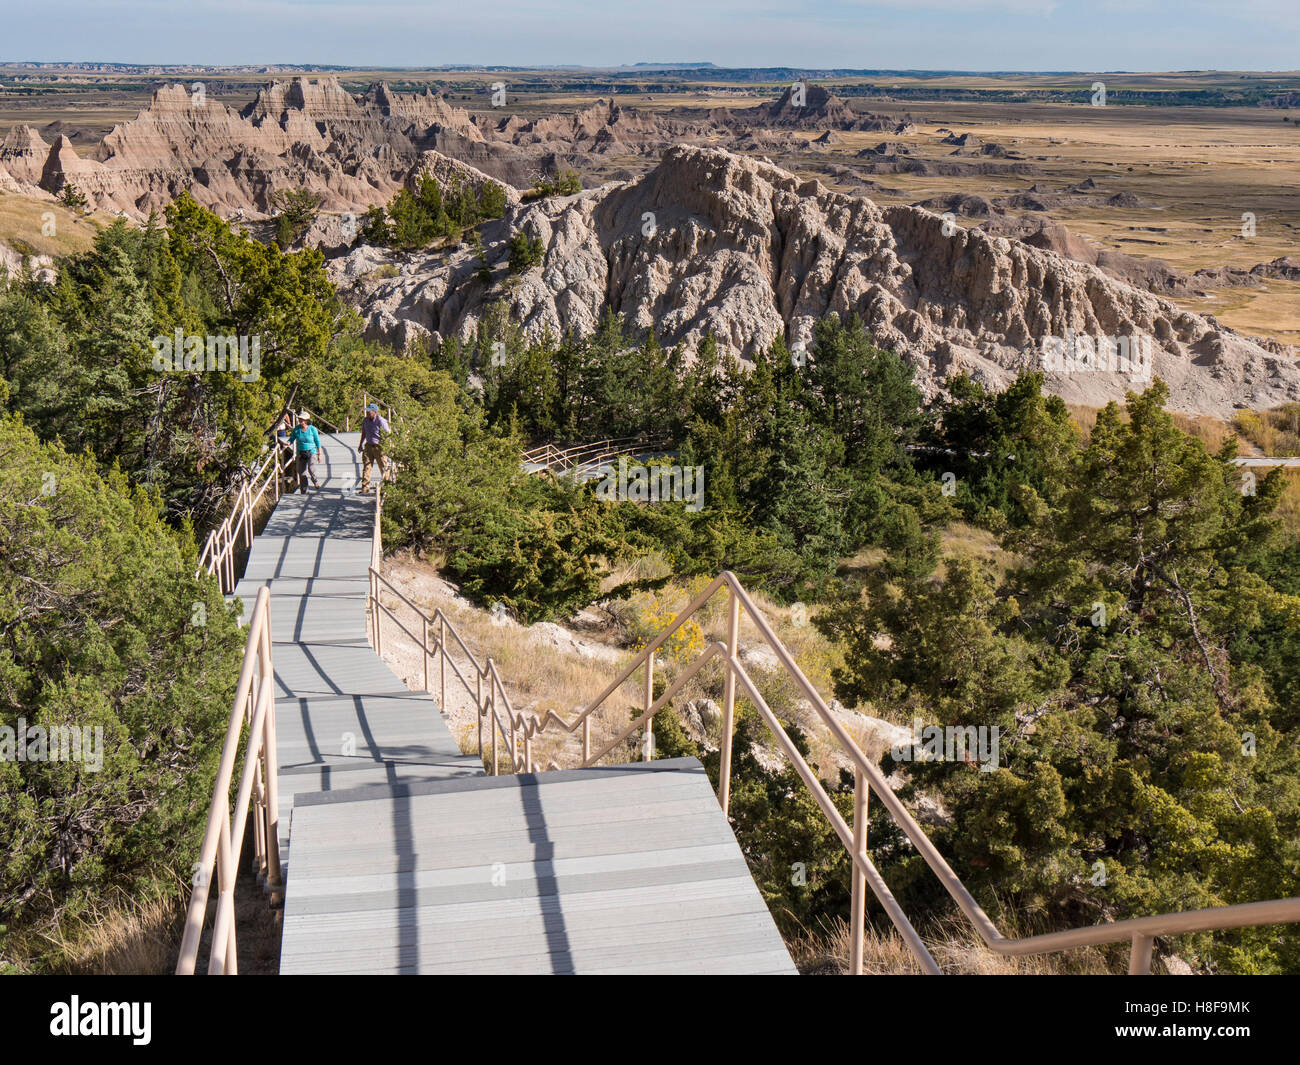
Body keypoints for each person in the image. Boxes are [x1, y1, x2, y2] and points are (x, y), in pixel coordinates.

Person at [359, 402, 389, 494]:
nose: (367, 413)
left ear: (374, 412)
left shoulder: (380, 421)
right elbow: (364, 432)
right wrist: (360, 444)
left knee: (383, 467)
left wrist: (385, 446)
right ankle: (365, 487)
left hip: (379, 446)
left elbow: (387, 434)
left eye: (369, 412)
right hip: (368, 445)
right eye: (367, 411)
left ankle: (386, 487)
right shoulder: (365, 420)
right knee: (366, 466)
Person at [288, 410, 322, 493]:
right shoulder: (297, 430)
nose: (300, 421)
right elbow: (291, 438)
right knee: (301, 472)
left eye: (302, 419)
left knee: (311, 468)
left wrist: (319, 454)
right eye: (299, 419)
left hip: (311, 451)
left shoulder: (312, 429)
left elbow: (317, 441)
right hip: (301, 453)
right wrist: (288, 443)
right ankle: (304, 490)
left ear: (306, 420)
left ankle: (315, 482)